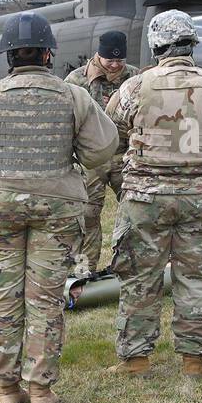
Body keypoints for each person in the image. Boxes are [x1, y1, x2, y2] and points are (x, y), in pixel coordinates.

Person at [0, 13, 117, 403]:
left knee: (2, 298)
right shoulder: (73, 96)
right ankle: (40, 392)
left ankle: (6, 390)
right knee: (45, 299)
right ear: (49, 54)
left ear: (7, 56)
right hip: (57, 208)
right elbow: (102, 147)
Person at [105, 10, 202, 378]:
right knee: (198, 276)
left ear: (156, 45)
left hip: (147, 198)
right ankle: (195, 360)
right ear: (192, 43)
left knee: (140, 275)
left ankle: (136, 359)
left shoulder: (136, 86)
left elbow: (112, 130)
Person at [65, 30, 138, 276]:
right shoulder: (77, 80)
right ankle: (83, 271)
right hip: (90, 159)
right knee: (87, 216)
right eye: (110, 61)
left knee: (136, 210)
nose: (116, 65)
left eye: (120, 61)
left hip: (124, 156)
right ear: (99, 55)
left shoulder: (135, 78)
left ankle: (133, 266)